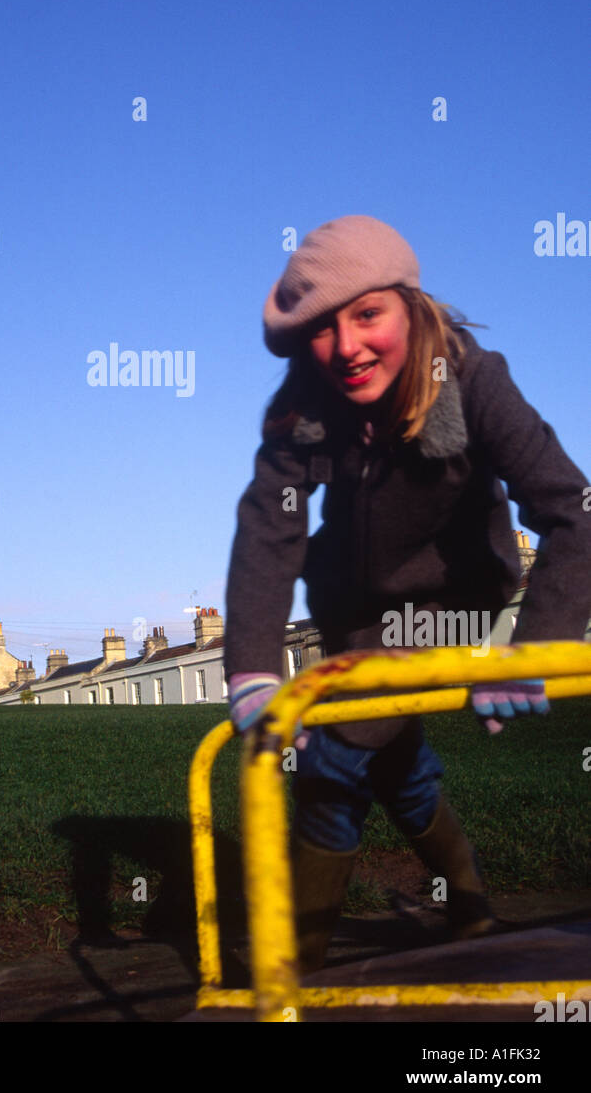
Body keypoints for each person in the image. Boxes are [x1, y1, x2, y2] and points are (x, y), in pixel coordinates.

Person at [223, 215, 591, 975]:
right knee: (387, 757)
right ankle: (470, 909)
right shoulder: (304, 405)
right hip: (352, 607)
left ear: (410, 306)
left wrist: (539, 649)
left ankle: (290, 974)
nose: (347, 347)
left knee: (335, 763)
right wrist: (253, 668)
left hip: (450, 596)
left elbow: (570, 509)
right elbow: (270, 529)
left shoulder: (473, 379)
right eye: (322, 329)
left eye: (366, 315)